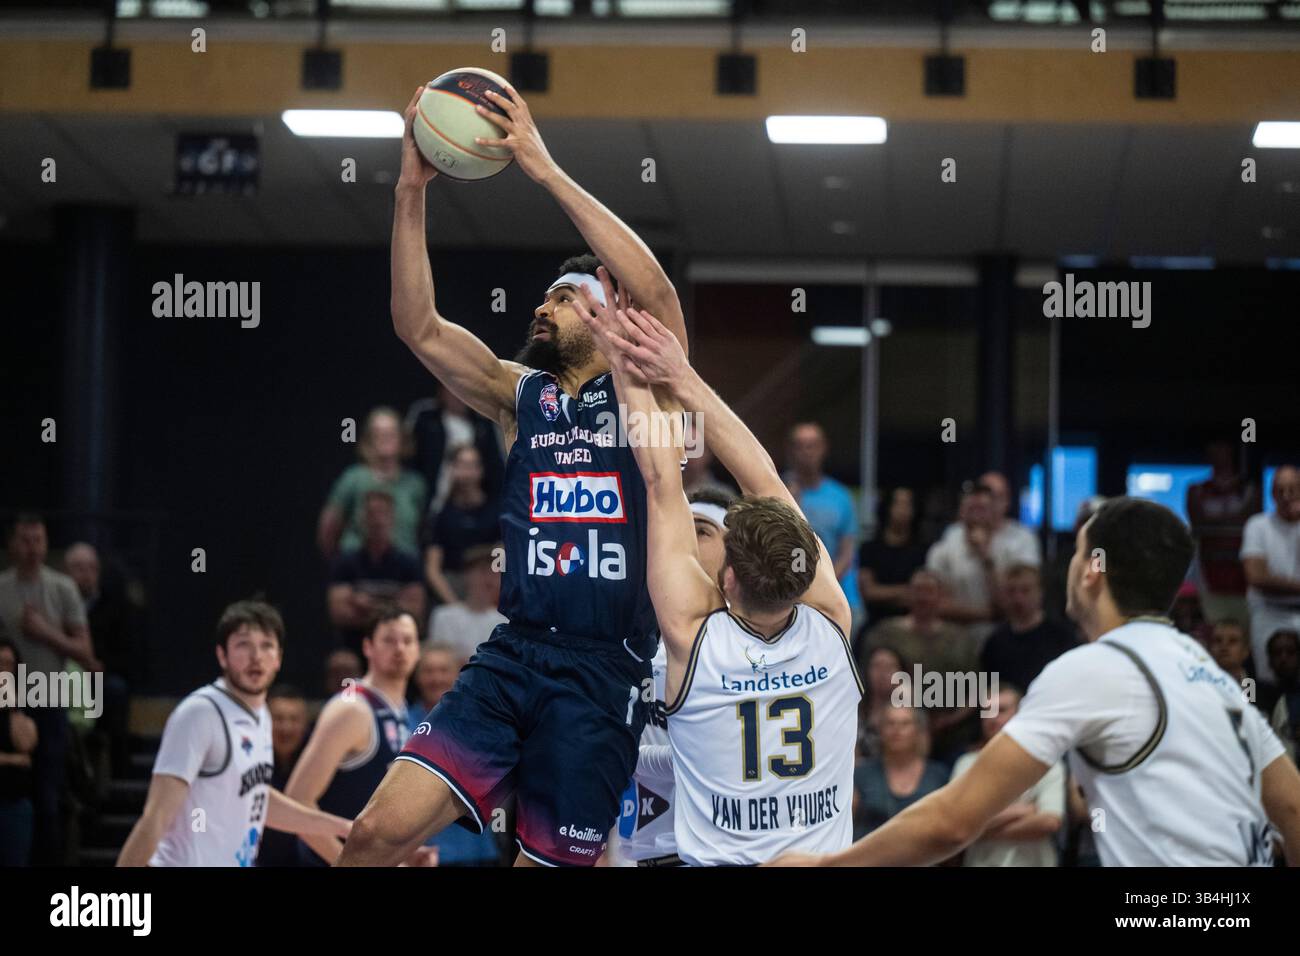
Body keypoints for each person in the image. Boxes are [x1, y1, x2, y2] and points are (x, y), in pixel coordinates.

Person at [337, 81, 688, 868]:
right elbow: (417, 326)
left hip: (605, 672)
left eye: (562, 298)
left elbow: (659, 293)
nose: (543, 308)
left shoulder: (649, 390)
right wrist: (409, 190)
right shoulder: (515, 395)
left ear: (606, 315)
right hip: (515, 653)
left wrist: (541, 165)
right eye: (543, 297)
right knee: (373, 836)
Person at [770, 497, 1300, 867]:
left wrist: (828, 866)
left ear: (1092, 569)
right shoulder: (1214, 676)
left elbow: (953, 822)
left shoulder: (1096, 667)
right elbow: (1294, 812)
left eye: (1075, 554)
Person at [577, 284, 860, 866]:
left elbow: (661, 481)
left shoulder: (692, 636)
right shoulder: (832, 622)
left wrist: (628, 369)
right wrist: (681, 377)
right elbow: (766, 480)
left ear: (727, 580)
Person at [116, 600, 352, 866]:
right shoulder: (199, 714)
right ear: (222, 655)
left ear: (278, 658)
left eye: (266, 645)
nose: (256, 656)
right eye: (243, 645)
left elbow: (257, 797)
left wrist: (342, 827)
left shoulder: (260, 714)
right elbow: (155, 817)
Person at [616, 487, 736, 868]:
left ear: (735, 554)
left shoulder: (746, 646)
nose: (681, 539)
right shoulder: (624, 633)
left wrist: (620, 753)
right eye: (676, 527)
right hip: (638, 851)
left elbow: (723, 760)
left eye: (700, 530)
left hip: (717, 853)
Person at [286, 608, 428, 866]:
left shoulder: (403, 711)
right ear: (368, 647)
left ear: (418, 649)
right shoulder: (352, 708)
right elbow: (298, 802)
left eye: (407, 640)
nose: (399, 649)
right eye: (389, 640)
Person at [0, 513, 99, 865]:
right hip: (7, 696)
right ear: (12, 544)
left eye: (39, 540)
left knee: (48, 797)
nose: (32, 549)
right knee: (13, 796)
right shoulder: (2, 588)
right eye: (25, 540)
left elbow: (86, 654)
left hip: (50, 692)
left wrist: (44, 632)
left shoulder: (62, 588)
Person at [862, 569, 976, 763]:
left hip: (951, 734)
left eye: (930, 591)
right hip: (890, 731)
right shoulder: (884, 633)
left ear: (941, 596)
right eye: (918, 590)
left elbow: (975, 690)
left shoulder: (960, 639)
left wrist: (948, 721)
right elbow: (867, 681)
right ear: (908, 595)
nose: (923, 597)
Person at [950, 686, 1064, 867]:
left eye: (1001, 710)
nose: (992, 718)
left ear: (1020, 714)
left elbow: (1049, 822)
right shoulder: (966, 764)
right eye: (987, 711)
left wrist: (980, 828)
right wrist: (1024, 811)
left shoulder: (1047, 763)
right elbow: (956, 825)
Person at [318, 406, 428, 559]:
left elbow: (421, 530)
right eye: (379, 433)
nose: (385, 438)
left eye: (390, 433)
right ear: (369, 439)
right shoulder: (353, 478)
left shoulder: (416, 484)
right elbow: (329, 527)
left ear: (402, 438)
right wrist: (340, 565)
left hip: (403, 572)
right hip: (357, 571)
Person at [327, 489, 426, 654]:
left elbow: (415, 612)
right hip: (354, 644)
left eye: (383, 513)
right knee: (342, 663)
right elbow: (339, 613)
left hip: (397, 645)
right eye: (371, 513)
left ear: (393, 518)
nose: (377, 520)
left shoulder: (410, 562)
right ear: (362, 519)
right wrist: (393, 604)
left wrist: (364, 604)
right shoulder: (345, 561)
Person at [62, 542, 132, 775]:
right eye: (79, 568)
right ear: (66, 572)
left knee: (115, 689)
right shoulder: (57, 604)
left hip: (99, 677)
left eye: (92, 568)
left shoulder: (115, 606)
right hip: (60, 675)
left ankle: (116, 766)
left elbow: (129, 655)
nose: (86, 575)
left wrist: (100, 666)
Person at [785, 422, 861, 629]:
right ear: (790, 451)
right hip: (789, 597)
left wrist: (823, 584)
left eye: (812, 445)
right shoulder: (778, 493)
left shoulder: (841, 497)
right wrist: (790, 504)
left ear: (823, 448)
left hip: (838, 594)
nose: (806, 452)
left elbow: (847, 552)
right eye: (799, 446)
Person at [1187, 440, 1259, 626]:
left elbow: (1250, 524)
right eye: (1213, 447)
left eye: (1222, 446)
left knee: (1242, 633)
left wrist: (1216, 521)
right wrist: (1232, 520)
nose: (1217, 453)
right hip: (1208, 572)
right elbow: (1198, 525)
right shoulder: (1196, 490)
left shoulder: (1250, 490)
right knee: (1214, 631)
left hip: (1242, 577)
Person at [406, 380, 506, 512]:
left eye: (463, 388)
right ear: (441, 390)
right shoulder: (425, 418)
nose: (457, 394)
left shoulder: (484, 425)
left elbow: (497, 470)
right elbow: (409, 458)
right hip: (430, 501)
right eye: (451, 387)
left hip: (475, 507)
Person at [979, 564, 1080, 696]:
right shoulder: (994, 644)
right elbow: (988, 691)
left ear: (1040, 592)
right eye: (1011, 591)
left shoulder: (1063, 636)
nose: (1018, 599)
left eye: (1025, 590)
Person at [1240, 465, 1300, 683]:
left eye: (1293, 489)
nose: (1286, 496)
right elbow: (1256, 577)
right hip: (1268, 611)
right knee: (1266, 680)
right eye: (1280, 490)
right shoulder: (1258, 525)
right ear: (1272, 493)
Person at [853, 707, 948, 840]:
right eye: (890, 723)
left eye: (905, 724)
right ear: (880, 729)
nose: (897, 729)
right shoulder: (861, 774)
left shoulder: (938, 775)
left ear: (918, 730)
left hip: (924, 857)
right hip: (868, 856)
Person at [422, 447, 500, 606]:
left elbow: (502, 558)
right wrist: (455, 606)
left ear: (480, 470)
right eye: (462, 465)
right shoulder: (441, 516)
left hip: (489, 583)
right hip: (453, 585)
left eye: (472, 466)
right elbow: (432, 570)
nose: (467, 473)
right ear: (452, 469)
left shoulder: (496, 512)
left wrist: (492, 597)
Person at [856, 487, 927, 630]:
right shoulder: (869, 549)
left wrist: (885, 593)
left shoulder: (923, 551)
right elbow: (869, 592)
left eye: (908, 504)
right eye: (898, 503)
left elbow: (920, 595)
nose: (903, 509)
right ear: (887, 507)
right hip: (876, 623)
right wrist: (905, 590)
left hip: (911, 625)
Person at [258, 684, 310, 867]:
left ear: (304, 724)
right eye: (278, 719)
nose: (286, 728)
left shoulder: (317, 763)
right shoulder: (250, 760)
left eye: (294, 719)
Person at [425, 544, 507, 661]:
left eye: (496, 573)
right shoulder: (444, 616)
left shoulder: (504, 622)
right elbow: (442, 659)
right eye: (483, 571)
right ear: (467, 575)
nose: (489, 579)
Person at [0, 638, 38, 866]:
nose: (3, 670)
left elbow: (26, 746)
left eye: (9, 664)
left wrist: (11, 705)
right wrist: (11, 758)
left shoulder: (20, 706)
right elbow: (20, 757)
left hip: (13, 802)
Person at [858, 645, 909, 760]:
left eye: (889, 667)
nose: (882, 673)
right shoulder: (853, 708)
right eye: (877, 666)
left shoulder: (910, 709)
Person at [409, 643, 463, 717]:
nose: (437, 679)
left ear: (458, 675)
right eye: (428, 671)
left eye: (444, 670)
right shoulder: (403, 722)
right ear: (417, 677)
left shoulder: (476, 720)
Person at [1207, 619, 1252, 698]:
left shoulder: (1263, 692)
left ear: (1245, 651)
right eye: (1218, 641)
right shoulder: (1200, 688)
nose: (1224, 647)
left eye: (1232, 641)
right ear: (1210, 649)